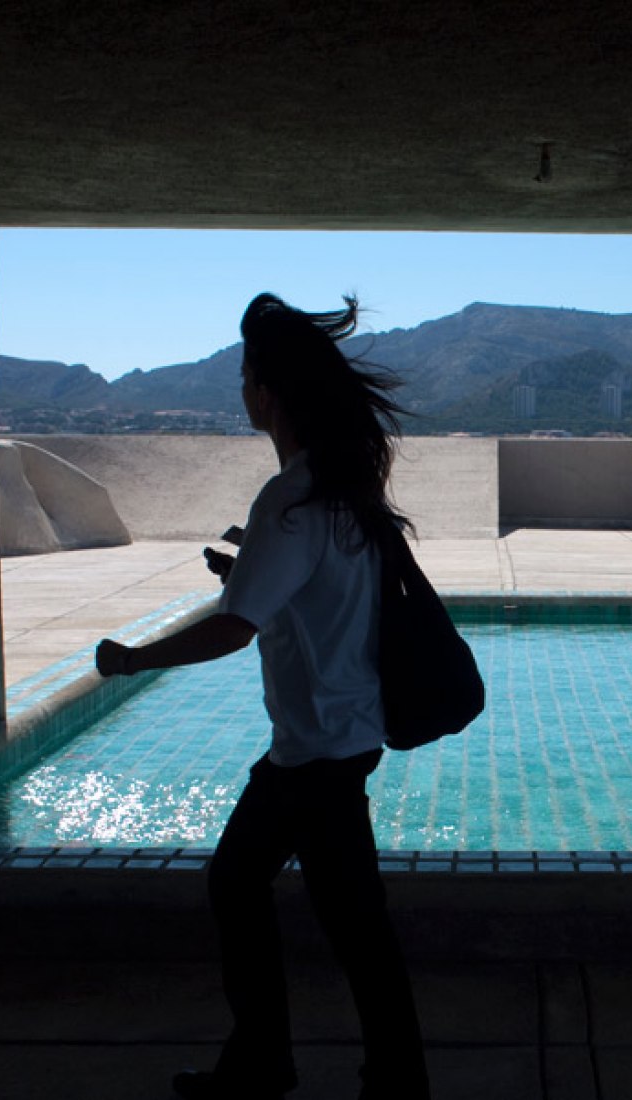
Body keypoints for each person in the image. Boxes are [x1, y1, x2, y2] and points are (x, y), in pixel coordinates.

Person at [95, 293, 429, 1100]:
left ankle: (270, 1066)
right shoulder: (340, 486)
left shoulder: (288, 500)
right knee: (346, 920)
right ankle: (373, 1075)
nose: (241, 389)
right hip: (342, 737)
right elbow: (311, 593)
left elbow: (232, 630)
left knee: (254, 890)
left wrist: (134, 659)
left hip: (313, 750)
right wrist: (246, 575)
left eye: (245, 375)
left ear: (267, 391)